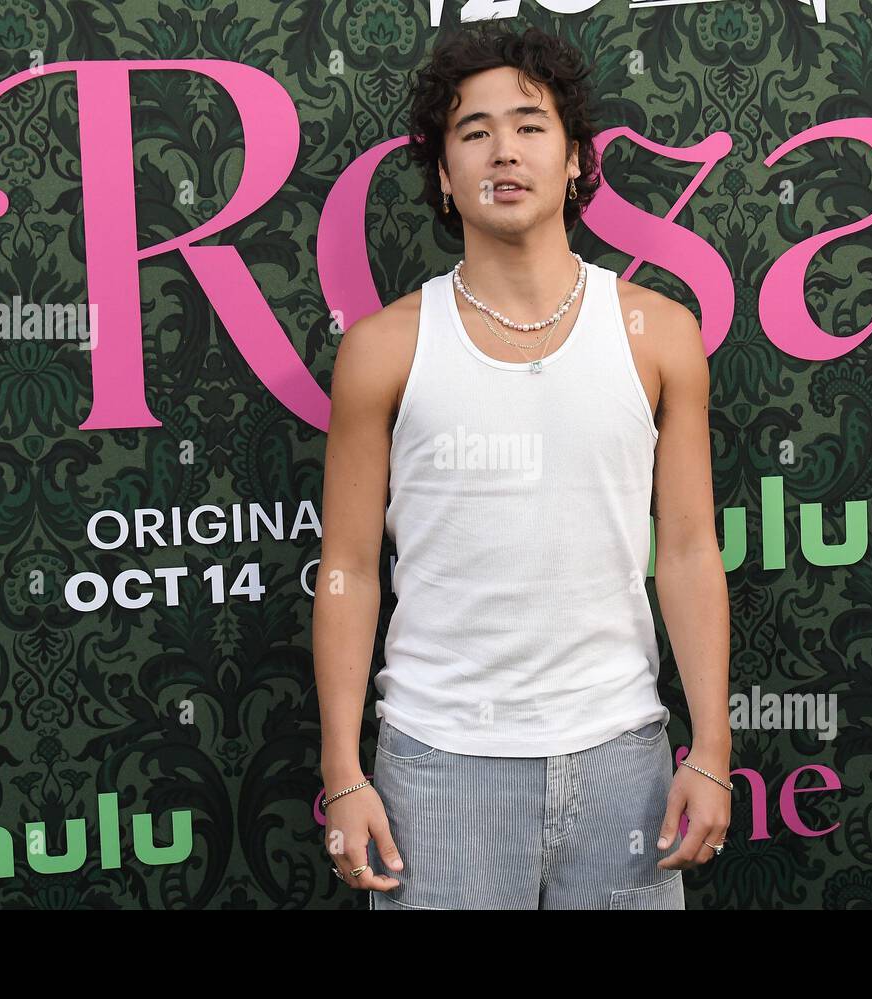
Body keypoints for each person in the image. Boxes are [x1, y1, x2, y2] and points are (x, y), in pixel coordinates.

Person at [313, 22, 731, 909]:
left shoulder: (660, 334)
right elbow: (347, 567)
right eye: (474, 132)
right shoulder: (383, 349)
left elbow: (690, 551)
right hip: (437, 771)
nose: (504, 150)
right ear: (442, 174)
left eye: (531, 125)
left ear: (576, 159)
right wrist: (344, 774)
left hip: (626, 759)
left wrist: (715, 752)